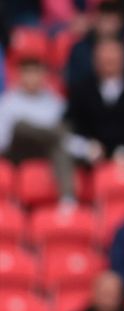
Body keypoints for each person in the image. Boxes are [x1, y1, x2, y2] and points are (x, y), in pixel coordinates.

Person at [0, 57, 76, 204]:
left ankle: (68, 200)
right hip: (17, 152)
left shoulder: (55, 102)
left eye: (36, 73)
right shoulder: (7, 102)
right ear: (19, 76)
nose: (32, 78)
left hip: (46, 150)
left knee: (59, 143)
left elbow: (67, 136)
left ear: (44, 76)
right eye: (28, 73)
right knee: (21, 126)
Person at [64, 37, 124, 161]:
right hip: (89, 158)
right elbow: (72, 123)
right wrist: (86, 146)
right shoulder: (81, 89)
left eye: (113, 59)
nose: (109, 61)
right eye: (104, 59)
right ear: (95, 60)